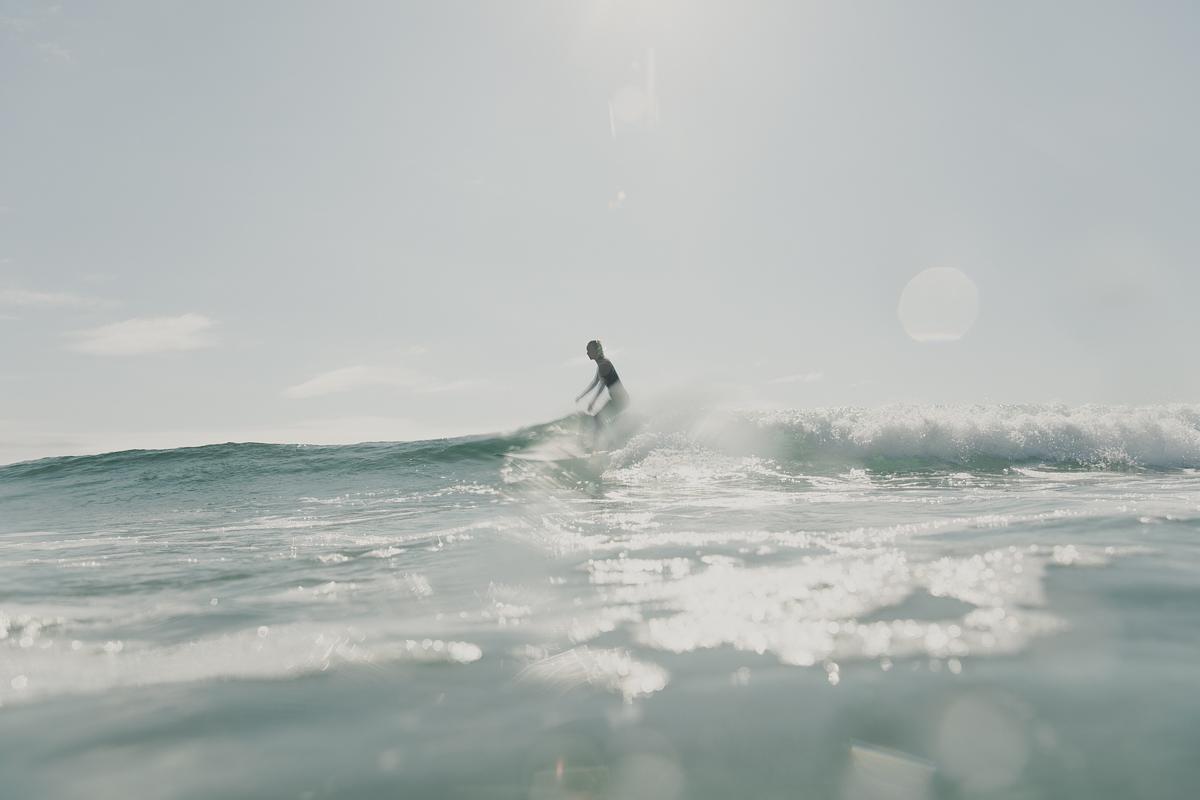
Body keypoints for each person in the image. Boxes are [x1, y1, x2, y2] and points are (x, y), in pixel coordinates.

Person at [575, 340, 630, 429]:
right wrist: (581, 396)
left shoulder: (604, 365)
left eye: (589, 350)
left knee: (598, 419)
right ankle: (607, 438)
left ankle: (602, 440)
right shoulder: (601, 364)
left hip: (619, 400)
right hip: (617, 399)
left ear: (596, 351)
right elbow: (594, 383)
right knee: (600, 419)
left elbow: (602, 385)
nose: (587, 353)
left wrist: (592, 402)